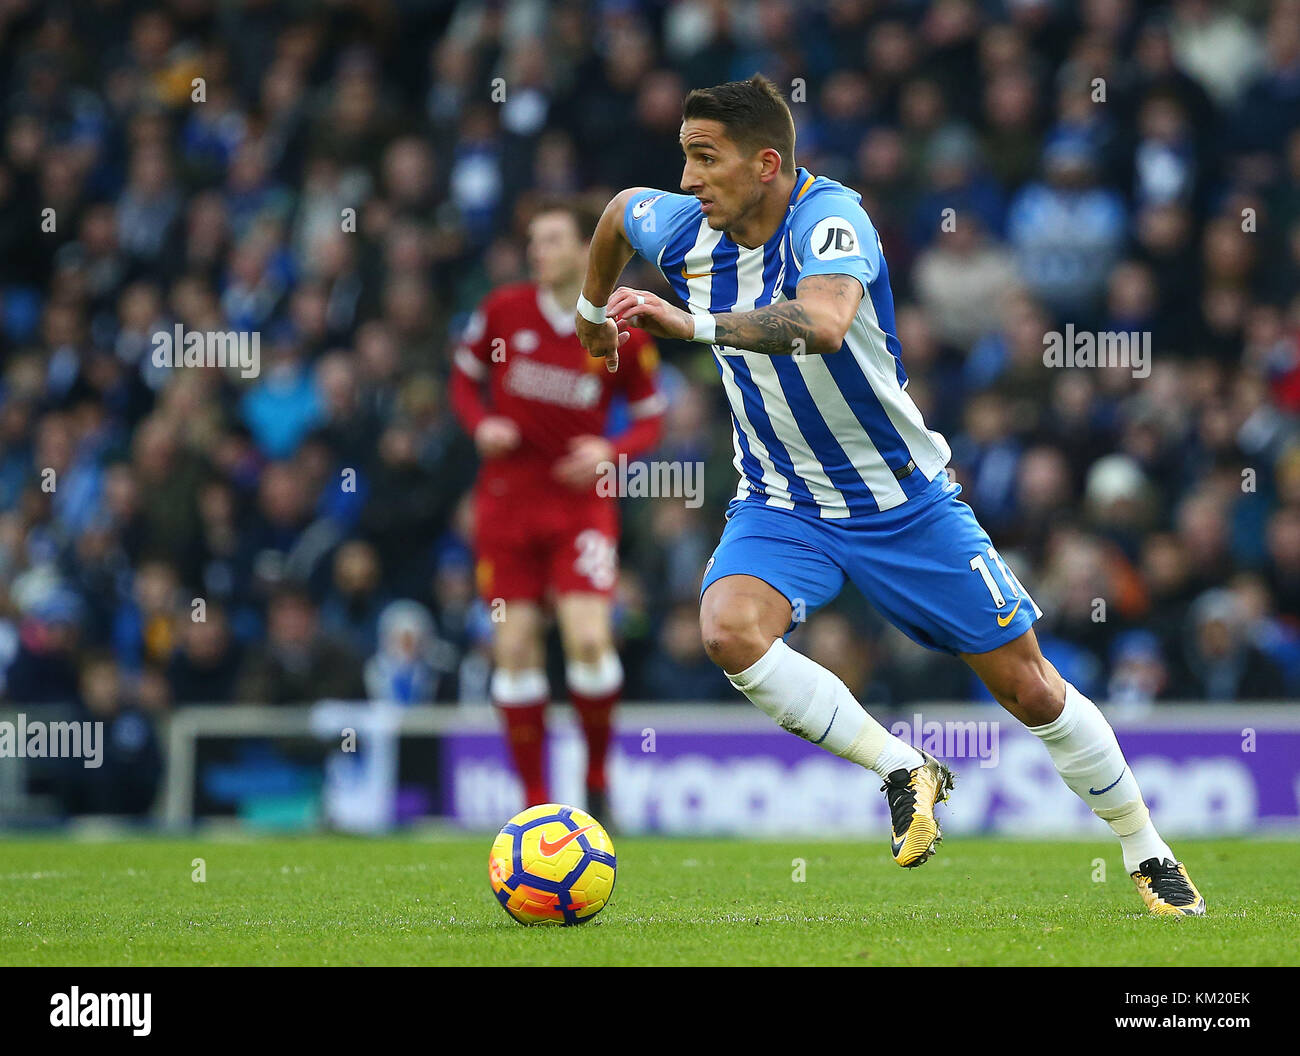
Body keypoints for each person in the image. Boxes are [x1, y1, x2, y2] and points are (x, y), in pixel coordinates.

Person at [575, 76, 1204, 916]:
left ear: (766, 163)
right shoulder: (687, 227)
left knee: (1030, 690)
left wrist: (689, 326)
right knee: (726, 630)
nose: (685, 179)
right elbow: (619, 211)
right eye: (683, 157)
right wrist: (588, 312)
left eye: (703, 158)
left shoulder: (832, 220)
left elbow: (825, 322)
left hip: (903, 502)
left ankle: (1146, 849)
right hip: (781, 500)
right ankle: (903, 768)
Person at [451, 198, 665, 819]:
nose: (536, 252)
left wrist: (611, 449)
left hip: (580, 507)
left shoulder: (614, 326)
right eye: (533, 241)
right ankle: (536, 805)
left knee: (592, 642)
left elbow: (651, 418)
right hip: (506, 504)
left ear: (582, 250)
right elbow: (464, 377)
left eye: (551, 240)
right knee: (514, 650)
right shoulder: (502, 311)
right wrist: (481, 423)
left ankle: (597, 779)